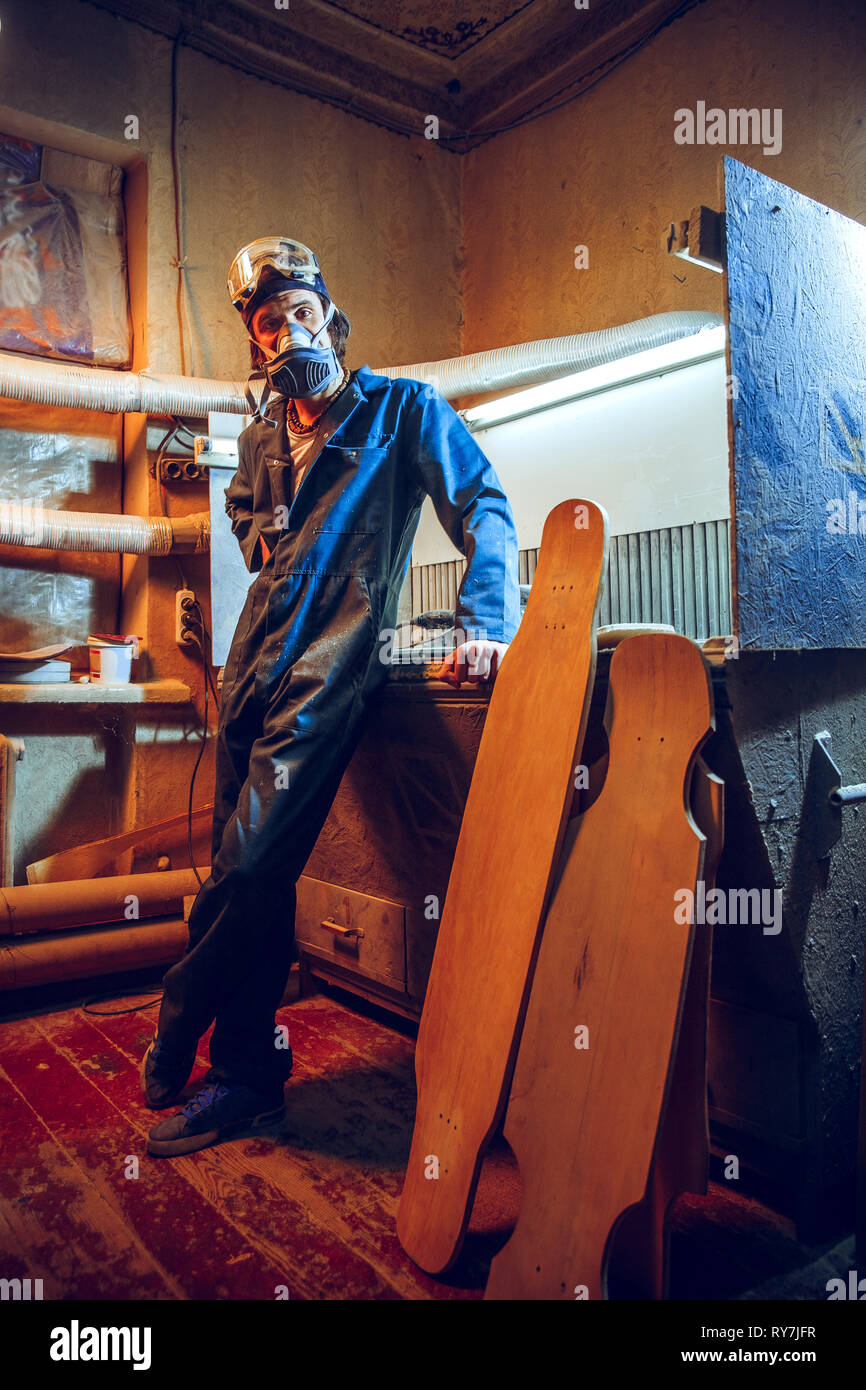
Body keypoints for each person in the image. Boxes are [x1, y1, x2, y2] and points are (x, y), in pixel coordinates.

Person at [142, 237, 522, 1157]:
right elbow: (240, 508)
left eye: (300, 313)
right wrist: (263, 546)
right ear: (255, 343)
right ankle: (247, 1080)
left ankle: (177, 1015)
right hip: (252, 664)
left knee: (249, 859)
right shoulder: (265, 436)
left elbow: (484, 505)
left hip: (332, 662)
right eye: (269, 324)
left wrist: (485, 620)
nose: (286, 333)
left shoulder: (401, 411)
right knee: (254, 878)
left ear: (331, 315)